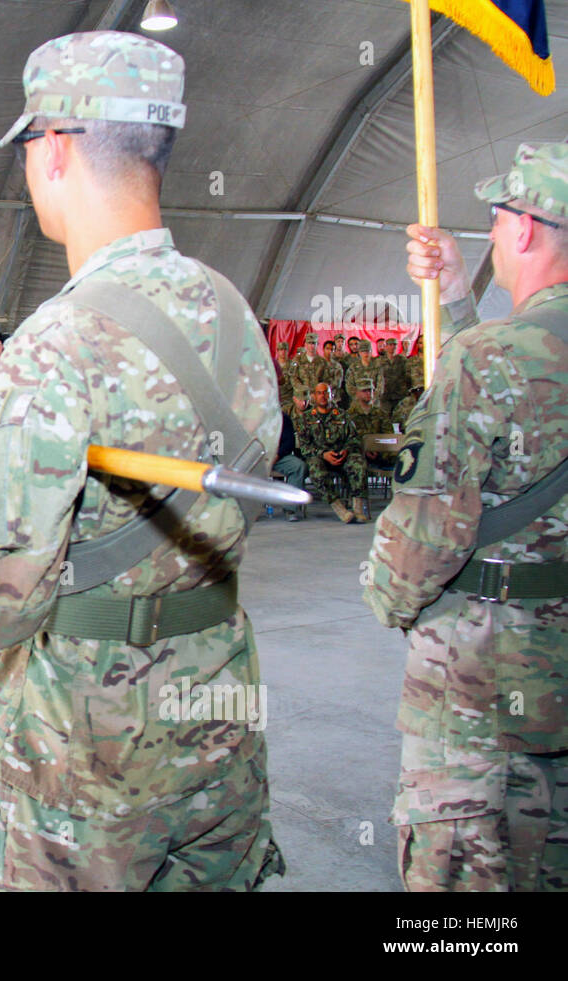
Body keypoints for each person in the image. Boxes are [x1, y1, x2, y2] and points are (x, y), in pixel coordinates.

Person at [0, 31, 284, 891]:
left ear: (53, 148)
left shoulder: (58, 339)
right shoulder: (233, 311)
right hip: (218, 718)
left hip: (86, 753)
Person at [365, 142, 568, 891]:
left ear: (524, 229)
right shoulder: (492, 351)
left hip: (480, 690)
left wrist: (388, 598)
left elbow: (424, 538)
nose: (492, 234)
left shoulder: (485, 358)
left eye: (498, 218)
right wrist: (457, 295)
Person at [296, 381, 369, 523]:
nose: (323, 396)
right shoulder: (306, 418)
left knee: (358, 464)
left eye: (326, 393)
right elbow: (305, 447)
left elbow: (354, 438)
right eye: (319, 393)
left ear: (332, 395)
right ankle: (340, 509)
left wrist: (346, 450)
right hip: (320, 457)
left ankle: (358, 509)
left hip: (342, 456)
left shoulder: (342, 415)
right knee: (315, 468)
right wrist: (323, 454)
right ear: (314, 396)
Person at [272, 412, 308, 521]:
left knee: (298, 466)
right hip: (255, 456)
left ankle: (290, 509)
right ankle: (244, 510)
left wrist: (277, 455)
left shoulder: (283, 418)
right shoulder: (248, 416)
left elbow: (289, 442)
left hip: (278, 457)